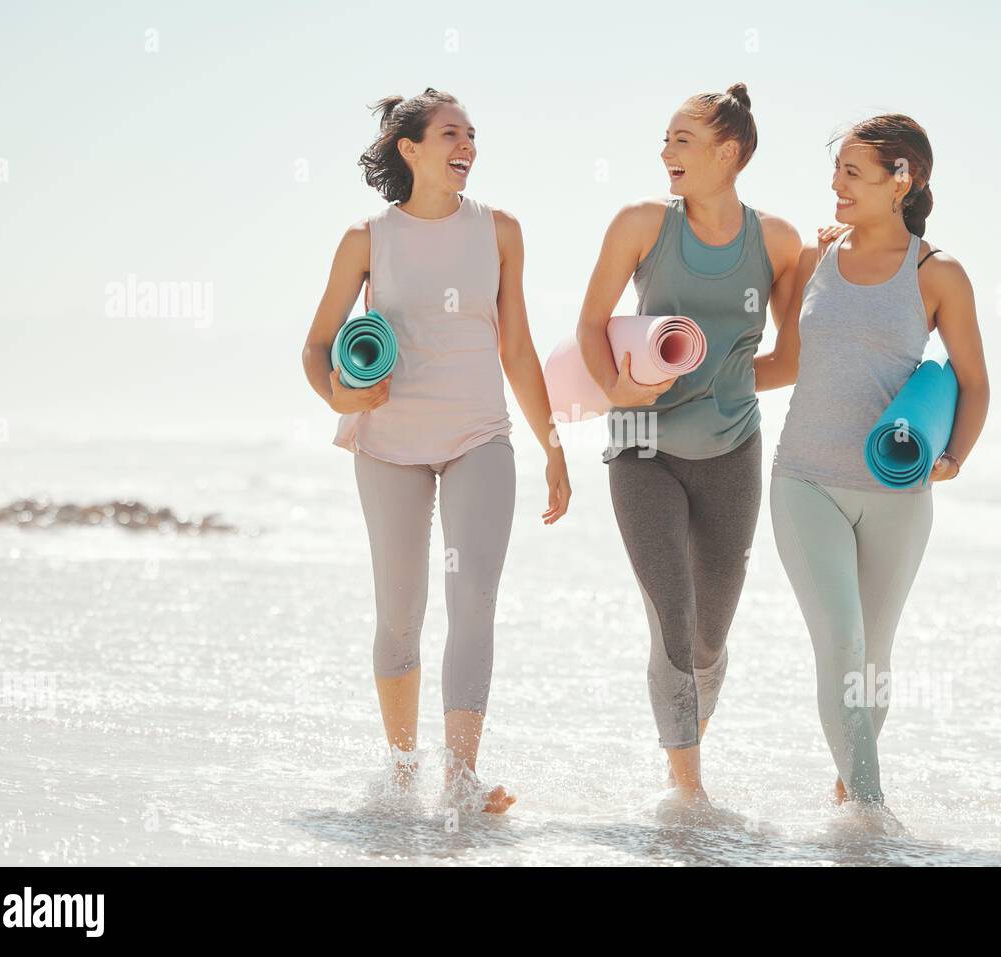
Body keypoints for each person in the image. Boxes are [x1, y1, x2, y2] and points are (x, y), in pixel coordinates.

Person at [300, 88, 572, 814]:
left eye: (473, 135)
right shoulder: (367, 238)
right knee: (400, 612)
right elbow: (318, 345)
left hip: (479, 435)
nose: (468, 147)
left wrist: (552, 444)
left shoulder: (501, 231)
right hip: (389, 443)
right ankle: (399, 770)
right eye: (452, 134)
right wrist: (339, 395)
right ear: (409, 148)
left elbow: (515, 344)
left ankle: (461, 776)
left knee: (472, 599)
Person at [576, 83, 802, 820]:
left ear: (727, 152)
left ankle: (683, 734)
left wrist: (723, 382)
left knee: (710, 634)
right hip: (641, 446)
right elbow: (591, 322)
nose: (665, 151)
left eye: (681, 139)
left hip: (732, 448)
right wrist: (617, 388)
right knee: (670, 616)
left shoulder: (776, 242)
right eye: (666, 138)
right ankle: (688, 792)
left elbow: (789, 357)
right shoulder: (641, 224)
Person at [758, 114, 989, 819]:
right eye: (836, 172)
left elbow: (973, 380)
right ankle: (871, 804)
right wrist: (698, 380)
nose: (836, 185)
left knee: (875, 652)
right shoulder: (814, 257)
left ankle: (850, 786)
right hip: (804, 478)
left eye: (851, 173)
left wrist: (954, 455)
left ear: (901, 180)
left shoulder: (938, 271)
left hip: (895, 488)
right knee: (841, 637)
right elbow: (788, 363)